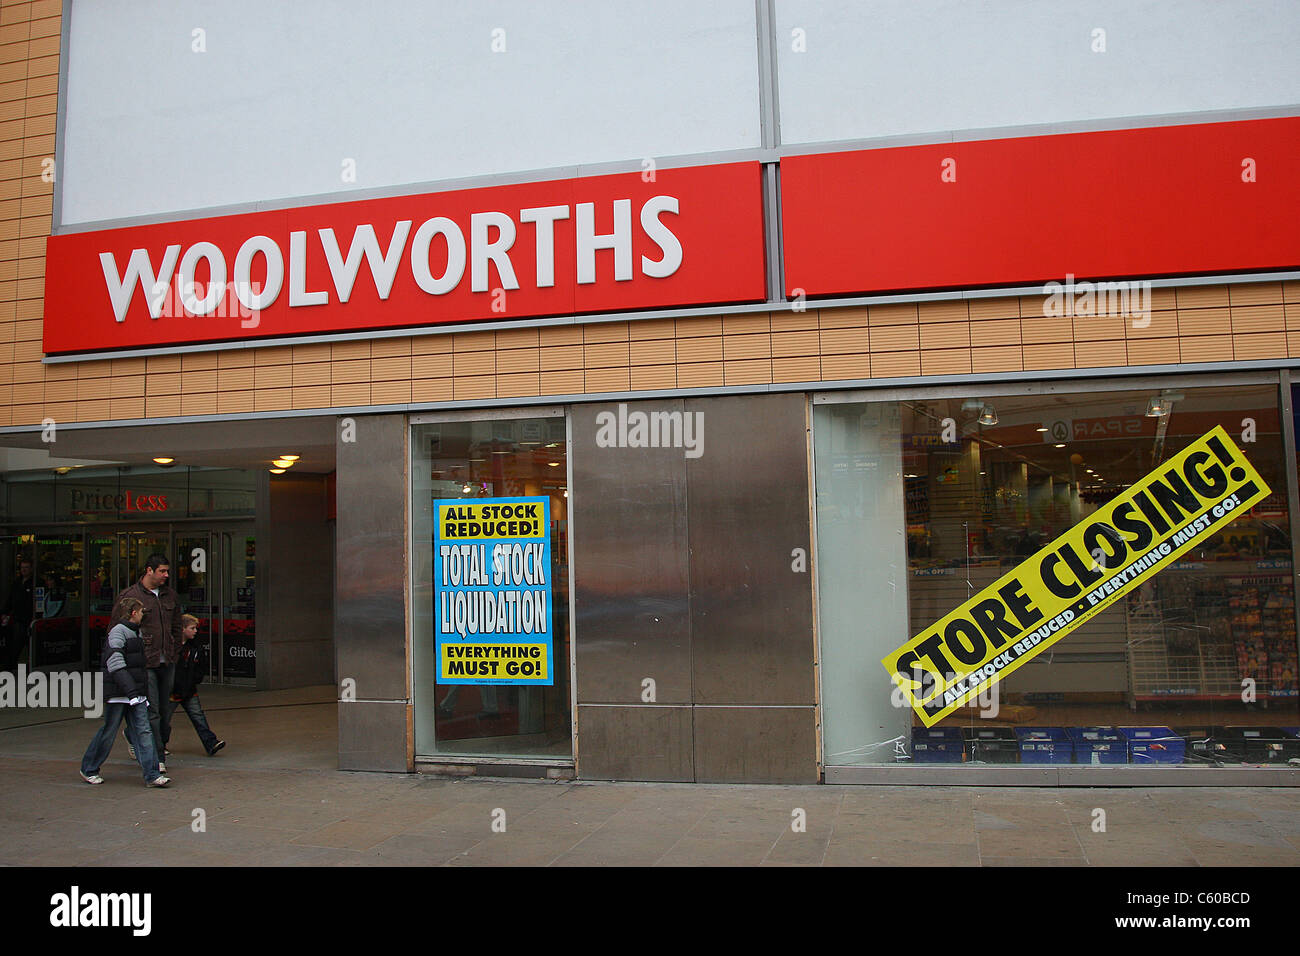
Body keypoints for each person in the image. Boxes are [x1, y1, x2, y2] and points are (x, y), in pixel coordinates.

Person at [79, 597, 169, 787]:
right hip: (120, 693)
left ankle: (152, 775)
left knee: (143, 731)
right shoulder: (118, 632)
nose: (144, 614)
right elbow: (116, 664)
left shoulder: (134, 632)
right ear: (133, 613)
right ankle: (89, 768)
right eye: (141, 611)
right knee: (109, 731)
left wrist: (137, 693)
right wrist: (133, 693)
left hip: (132, 693)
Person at [112, 554, 182, 772]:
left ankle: (139, 738)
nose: (166, 575)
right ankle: (157, 757)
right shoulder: (130, 596)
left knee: (165, 708)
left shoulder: (170, 595)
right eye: (162, 571)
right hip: (145, 663)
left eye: (167, 571)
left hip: (167, 659)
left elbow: (177, 625)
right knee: (152, 710)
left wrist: (175, 649)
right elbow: (116, 630)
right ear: (149, 570)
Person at [165, 614, 225, 756]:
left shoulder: (196, 647)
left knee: (198, 715)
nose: (195, 631)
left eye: (195, 628)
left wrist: (195, 679)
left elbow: (200, 667)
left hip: (189, 689)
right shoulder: (172, 647)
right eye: (192, 628)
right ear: (183, 629)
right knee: (165, 718)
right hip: (173, 690)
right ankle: (160, 744)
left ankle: (210, 743)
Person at [0, 557, 34, 673]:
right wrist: (5, 612)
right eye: (22, 568)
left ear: (31, 569)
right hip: (17, 618)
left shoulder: (35, 583)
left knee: (25, 643)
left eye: (26, 568)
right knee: (14, 643)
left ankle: (28, 665)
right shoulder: (17, 582)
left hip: (29, 618)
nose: (24, 570)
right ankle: (10, 665)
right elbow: (11, 599)